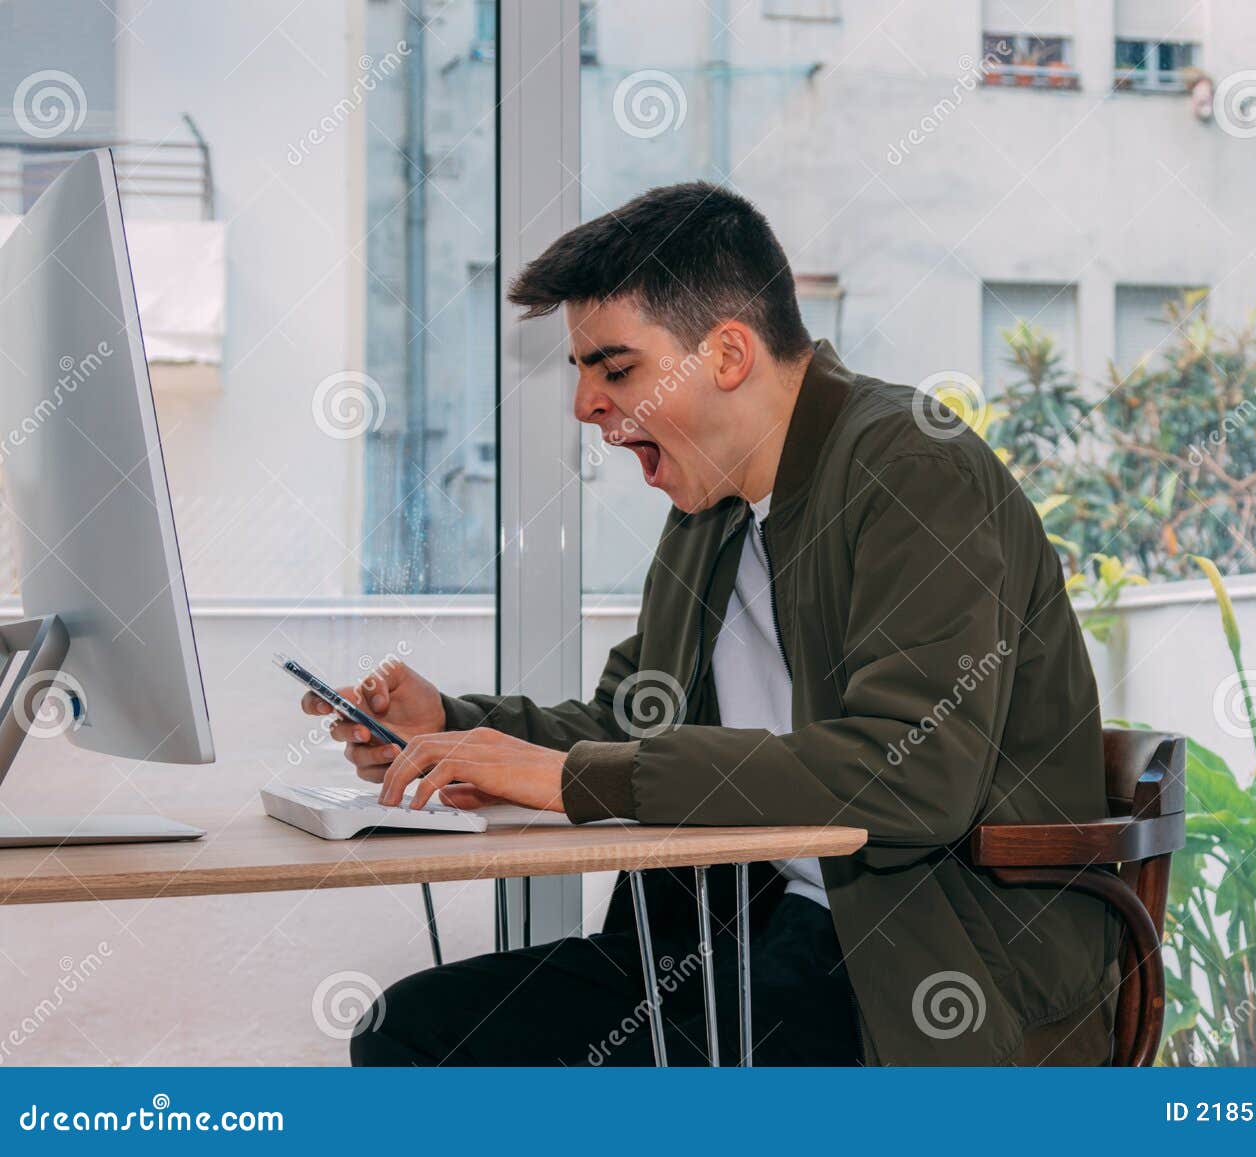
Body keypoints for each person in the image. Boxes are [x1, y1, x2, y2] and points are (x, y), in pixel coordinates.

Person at [309, 181, 1114, 1066]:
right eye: (581, 372)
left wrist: (575, 778)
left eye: (616, 369)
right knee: (407, 1033)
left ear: (729, 353)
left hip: (915, 959)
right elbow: (629, 723)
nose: (585, 405)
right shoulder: (709, 512)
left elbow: (915, 772)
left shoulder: (915, 470)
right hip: (746, 929)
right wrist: (452, 729)